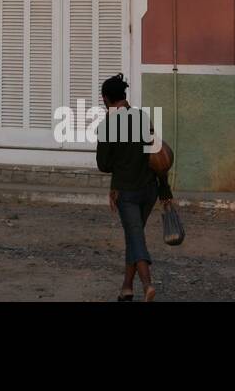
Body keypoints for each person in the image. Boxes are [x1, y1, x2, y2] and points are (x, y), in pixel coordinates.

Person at [96, 74, 163, 302]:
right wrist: (166, 192)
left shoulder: (108, 125)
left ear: (106, 99)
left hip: (127, 193)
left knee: (135, 238)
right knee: (134, 236)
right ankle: (126, 287)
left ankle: (147, 285)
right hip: (150, 190)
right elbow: (158, 158)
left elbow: (103, 165)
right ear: (124, 96)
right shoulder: (142, 117)